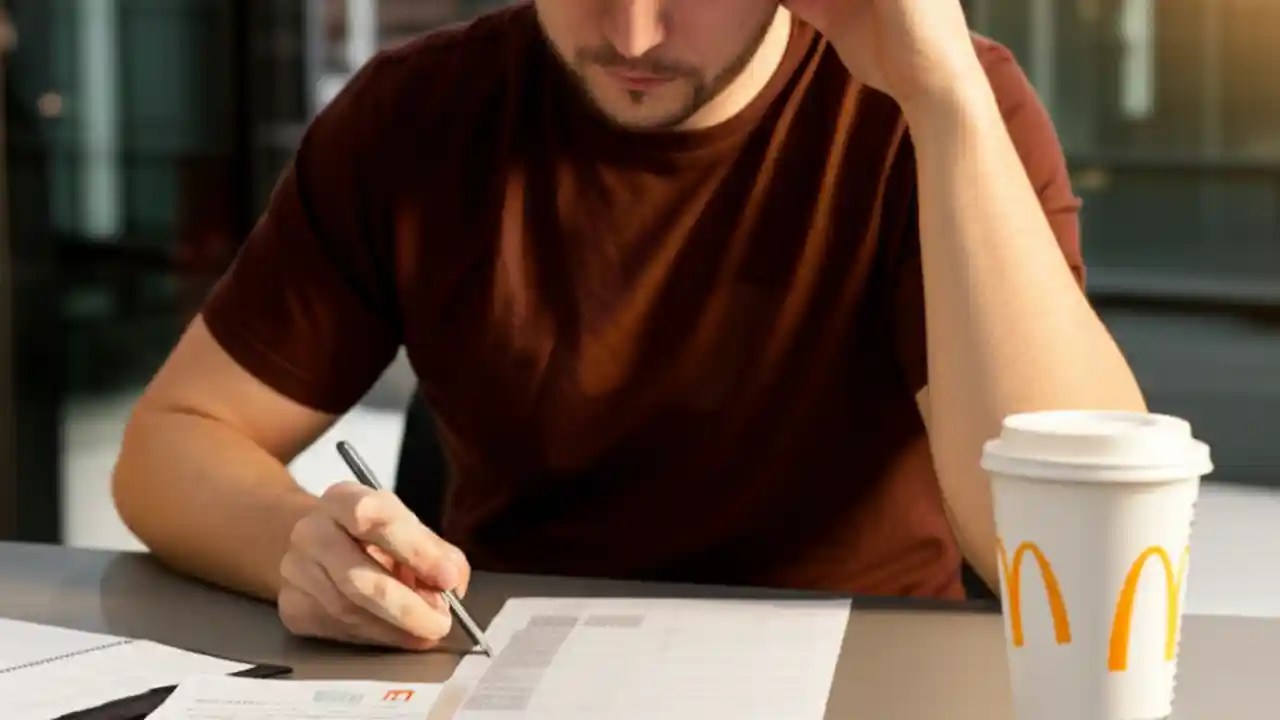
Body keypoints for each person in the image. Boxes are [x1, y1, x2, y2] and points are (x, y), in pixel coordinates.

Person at [112, 0, 1146, 651]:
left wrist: (942, 101)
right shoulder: (414, 116)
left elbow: (1066, 535)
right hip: (500, 666)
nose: (633, 32)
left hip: (856, 673)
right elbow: (170, 445)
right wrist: (299, 545)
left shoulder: (943, 110)